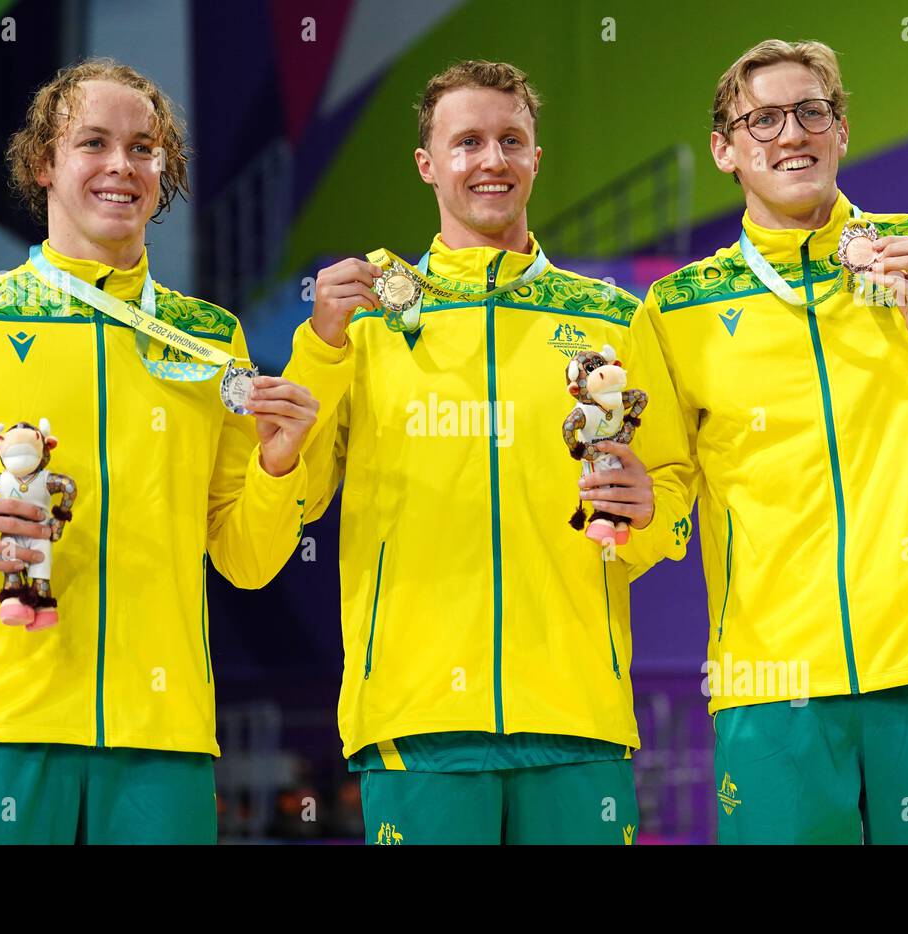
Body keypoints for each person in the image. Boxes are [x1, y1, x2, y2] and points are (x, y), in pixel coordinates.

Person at [0, 58, 319, 844]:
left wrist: (283, 467)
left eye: (145, 148)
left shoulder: (208, 341)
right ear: (44, 164)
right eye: (94, 142)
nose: (122, 165)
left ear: (165, 173)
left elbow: (246, 557)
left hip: (162, 741)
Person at [642, 39, 908, 843]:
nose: (791, 133)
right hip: (772, 695)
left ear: (842, 130)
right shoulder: (676, 308)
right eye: (763, 118)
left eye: (813, 111)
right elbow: (663, 502)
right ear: (725, 150)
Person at [284, 60, 694, 845]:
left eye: (511, 140)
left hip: (578, 717)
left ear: (537, 158)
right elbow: (290, 497)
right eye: (466, 141)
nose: (491, 160)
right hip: (417, 721)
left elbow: (673, 491)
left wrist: (654, 513)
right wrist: (318, 349)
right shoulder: (364, 318)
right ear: (427, 164)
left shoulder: (612, 316)